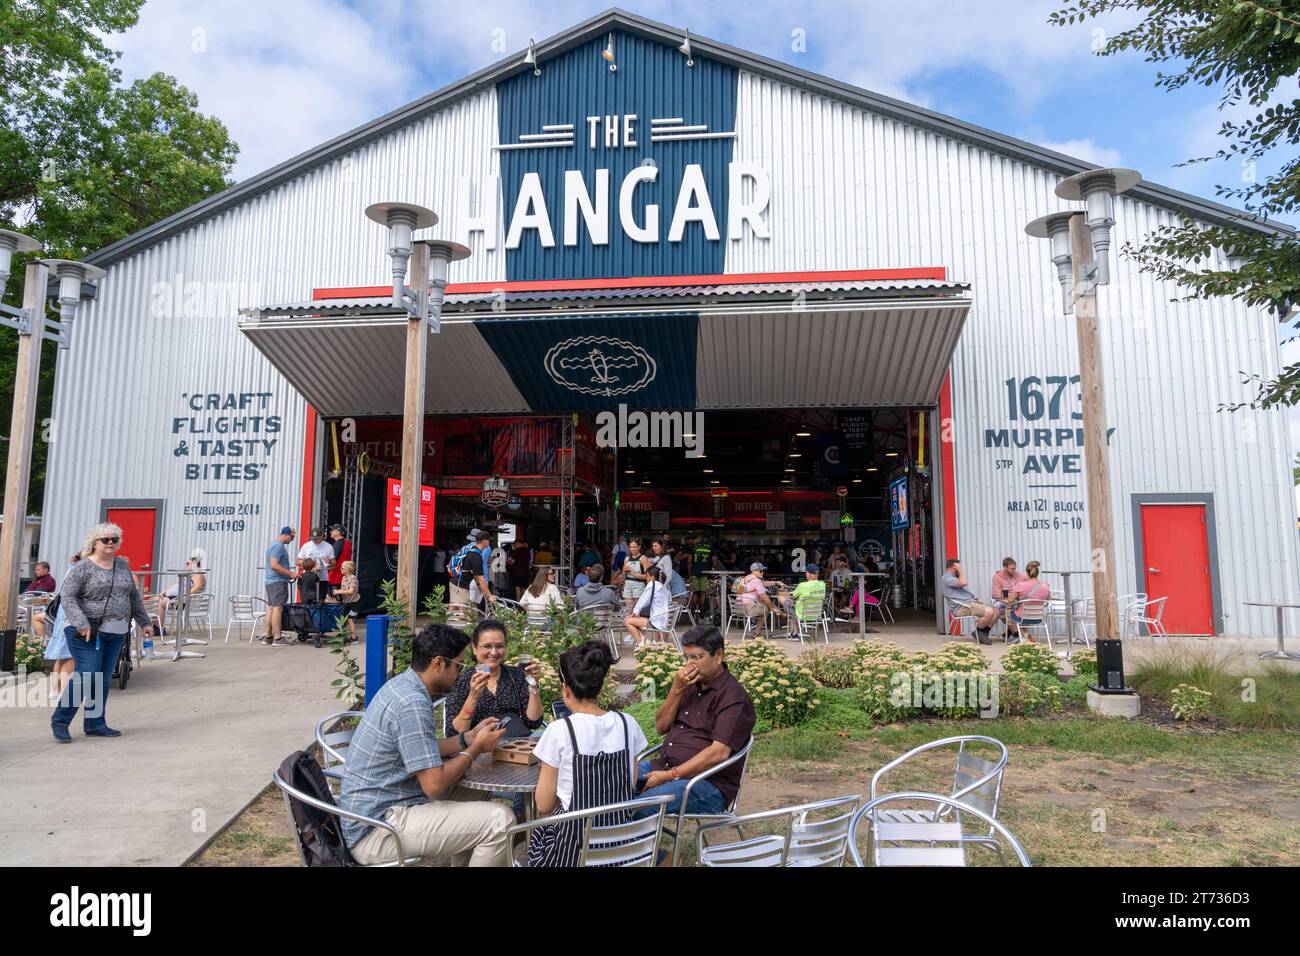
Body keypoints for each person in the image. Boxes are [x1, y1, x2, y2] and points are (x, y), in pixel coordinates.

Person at [338, 623, 513, 866]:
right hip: (377, 829)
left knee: (477, 790)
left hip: (384, 806)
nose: (462, 673)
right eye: (459, 666)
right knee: (500, 820)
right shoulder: (412, 704)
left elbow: (422, 748)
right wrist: (475, 749)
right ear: (439, 663)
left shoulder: (404, 686)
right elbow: (433, 784)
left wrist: (468, 737)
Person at [528, 641, 648, 866]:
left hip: (573, 853)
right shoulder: (627, 724)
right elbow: (630, 785)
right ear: (600, 687)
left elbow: (544, 805)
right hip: (621, 850)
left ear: (565, 689)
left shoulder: (559, 731)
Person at [633, 625, 755, 825]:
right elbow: (661, 727)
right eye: (686, 657)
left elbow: (718, 753)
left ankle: (661, 857)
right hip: (664, 766)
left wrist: (668, 776)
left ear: (718, 655)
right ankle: (616, 851)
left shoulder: (733, 697)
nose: (689, 664)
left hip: (708, 784)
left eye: (697, 657)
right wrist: (676, 689)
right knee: (611, 786)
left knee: (638, 807)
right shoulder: (689, 685)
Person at [51, 523, 154, 742]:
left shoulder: (122, 566)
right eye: (105, 539)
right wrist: (81, 622)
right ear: (94, 543)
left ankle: (95, 723)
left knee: (102, 679)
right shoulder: (82, 568)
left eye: (114, 539)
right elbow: (67, 597)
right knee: (87, 676)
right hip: (86, 632)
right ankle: (60, 721)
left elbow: (133, 597)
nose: (110, 543)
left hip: (116, 632)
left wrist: (145, 622)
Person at [445, 620, 544, 739]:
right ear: (475, 648)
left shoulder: (516, 675)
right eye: (487, 646)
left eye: (499, 646)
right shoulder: (462, 681)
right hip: (477, 750)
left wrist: (534, 685)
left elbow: (534, 722)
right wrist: (473, 696)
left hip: (514, 747)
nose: (494, 652)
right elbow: (454, 734)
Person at [41, 555, 80, 699]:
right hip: (70, 617)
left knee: (61, 656)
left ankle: (54, 689)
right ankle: (64, 692)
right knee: (70, 656)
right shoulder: (79, 572)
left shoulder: (70, 570)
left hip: (62, 618)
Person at [940, 558, 998, 644]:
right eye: (959, 567)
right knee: (989, 612)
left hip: (969, 603)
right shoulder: (946, 578)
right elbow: (963, 583)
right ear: (953, 567)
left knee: (996, 612)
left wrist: (975, 599)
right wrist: (960, 570)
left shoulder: (953, 578)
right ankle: (978, 632)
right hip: (961, 607)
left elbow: (962, 590)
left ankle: (983, 633)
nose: (961, 569)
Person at [262, 526, 298, 645]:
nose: (292, 540)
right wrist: (291, 573)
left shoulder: (273, 545)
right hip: (277, 582)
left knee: (271, 608)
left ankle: (268, 637)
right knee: (277, 609)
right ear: (286, 535)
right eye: (291, 537)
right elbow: (274, 565)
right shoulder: (278, 546)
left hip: (271, 581)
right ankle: (278, 638)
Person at [624, 565, 671, 649]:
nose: (646, 578)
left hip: (655, 621)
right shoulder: (664, 586)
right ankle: (648, 641)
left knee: (627, 621)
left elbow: (642, 601)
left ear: (652, 577)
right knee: (637, 620)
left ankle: (641, 642)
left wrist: (634, 613)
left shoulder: (652, 584)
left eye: (647, 576)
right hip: (665, 620)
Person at [736, 562, 786, 637]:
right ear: (754, 571)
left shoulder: (745, 578)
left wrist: (776, 582)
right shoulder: (756, 581)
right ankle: (757, 632)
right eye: (760, 571)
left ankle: (777, 611)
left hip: (738, 608)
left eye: (763, 571)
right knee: (766, 608)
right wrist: (774, 608)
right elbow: (764, 597)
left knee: (763, 603)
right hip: (747, 609)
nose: (763, 572)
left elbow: (763, 583)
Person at [1007, 560, 1051, 643]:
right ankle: (1026, 636)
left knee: (1008, 614)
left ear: (1027, 573)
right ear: (1037, 573)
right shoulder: (1045, 585)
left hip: (1022, 616)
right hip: (1039, 617)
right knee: (1024, 616)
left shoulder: (1020, 585)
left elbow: (1010, 601)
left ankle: (1026, 637)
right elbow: (1048, 599)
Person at [453, 529, 496, 611]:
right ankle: (474, 619)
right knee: (477, 602)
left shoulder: (466, 547)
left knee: (468, 602)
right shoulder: (488, 548)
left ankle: (468, 620)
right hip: (482, 577)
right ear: (484, 540)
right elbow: (490, 561)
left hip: (470, 579)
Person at [780, 564, 827, 639]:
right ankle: (795, 633)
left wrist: (783, 591)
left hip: (801, 614)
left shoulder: (802, 585)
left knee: (783, 600)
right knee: (792, 607)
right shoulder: (822, 584)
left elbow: (793, 596)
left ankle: (794, 631)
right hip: (816, 614)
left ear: (808, 574)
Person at [159, 553, 206, 619]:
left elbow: (197, 587)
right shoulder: (189, 576)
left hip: (183, 602)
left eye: (188, 564)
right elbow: (177, 585)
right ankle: (157, 627)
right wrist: (165, 591)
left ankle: (158, 627)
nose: (186, 565)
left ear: (194, 564)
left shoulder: (198, 575)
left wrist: (183, 596)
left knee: (162, 602)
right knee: (156, 599)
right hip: (176, 599)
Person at [327, 559, 361, 642]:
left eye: (343, 568)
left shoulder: (352, 578)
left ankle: (354, 637)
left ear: (348, 570)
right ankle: (344, 634)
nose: (341, 569)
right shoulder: (344, 578)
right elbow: (344, 589)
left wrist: (339, 591)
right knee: (344, 618)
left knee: (350, 619)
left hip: (353, 602)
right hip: (346, 601)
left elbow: (351, 591)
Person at [617, 538, 648, 611]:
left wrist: (632, 573)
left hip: (639, 586)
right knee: (628, 610)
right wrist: (623, 573)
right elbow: (623, 577)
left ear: (639, 547)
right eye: (631, 547)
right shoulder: (626, 559)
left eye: (634, 547)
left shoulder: (643, 559)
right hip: (627, 586)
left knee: (637, 610)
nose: (632, 549)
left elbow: (647, 576)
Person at [327, 525, 352, 597]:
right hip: (343, 577)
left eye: (332, 530)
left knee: (333, 601)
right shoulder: (347, 543)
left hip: (335, 577)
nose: (330, 531)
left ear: (338, 531)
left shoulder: (338, 543)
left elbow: (332, 560)